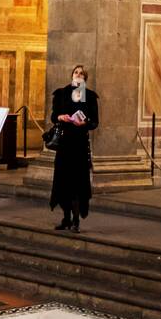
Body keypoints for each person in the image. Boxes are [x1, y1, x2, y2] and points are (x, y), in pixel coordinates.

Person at [50, 64, 98, 233]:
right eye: (76, 72)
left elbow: (95, 122)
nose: (78, 75)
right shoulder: (62, 93)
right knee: (64, 183)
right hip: (65, 144)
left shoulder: (90, 96)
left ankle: (76, 221)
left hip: (79, 145)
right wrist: (60, 116)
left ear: (85, 78)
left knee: (78, 184)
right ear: (72, 75)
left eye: (81, 74)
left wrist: (84, 122)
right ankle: (66, 218)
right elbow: (53, 116)